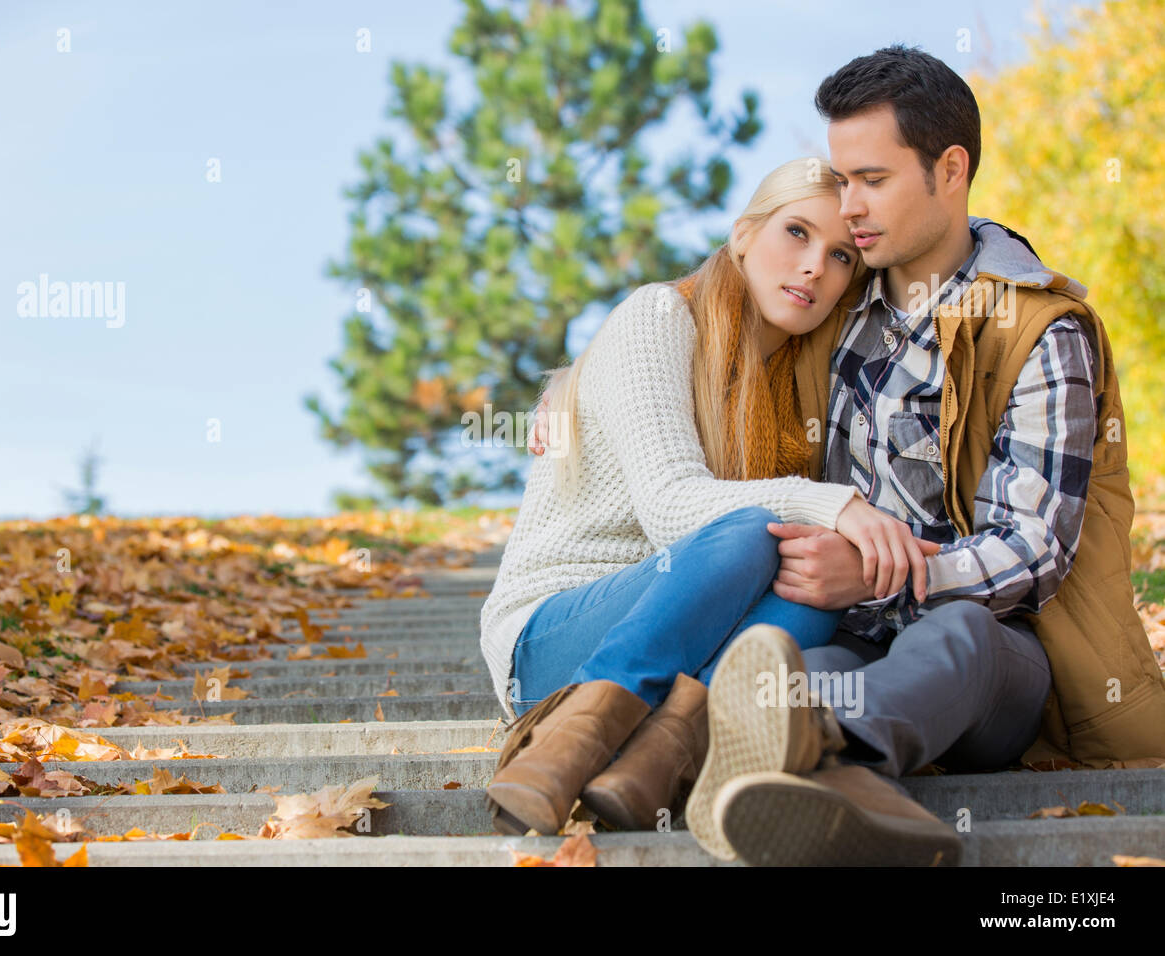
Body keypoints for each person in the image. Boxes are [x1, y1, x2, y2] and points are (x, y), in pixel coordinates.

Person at [635, 44, 1165, 866]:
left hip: (997, 661)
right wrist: (590, 382)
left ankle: (809, 741)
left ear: (949, 170)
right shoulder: (840, 302)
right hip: (847, 637)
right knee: (772, 670)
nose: (848, 208)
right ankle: (850, 793)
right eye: (841, 180)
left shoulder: (1037, 332)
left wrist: (879, 573)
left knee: (955, 636)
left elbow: (1034, 550)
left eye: (872, 180)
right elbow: (720, 307)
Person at [479, 156, 938, 840]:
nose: (815, 266)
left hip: (685, 645)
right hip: (551, 644)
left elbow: (940, 241)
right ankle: (561, 748)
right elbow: (671, 506)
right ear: (743, 234)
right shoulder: (658, 316)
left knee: (814, 574)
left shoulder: (796, 382)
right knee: (755, 529)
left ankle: (653, 763)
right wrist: (832, 502)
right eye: (796, 233)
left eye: (840, 255)